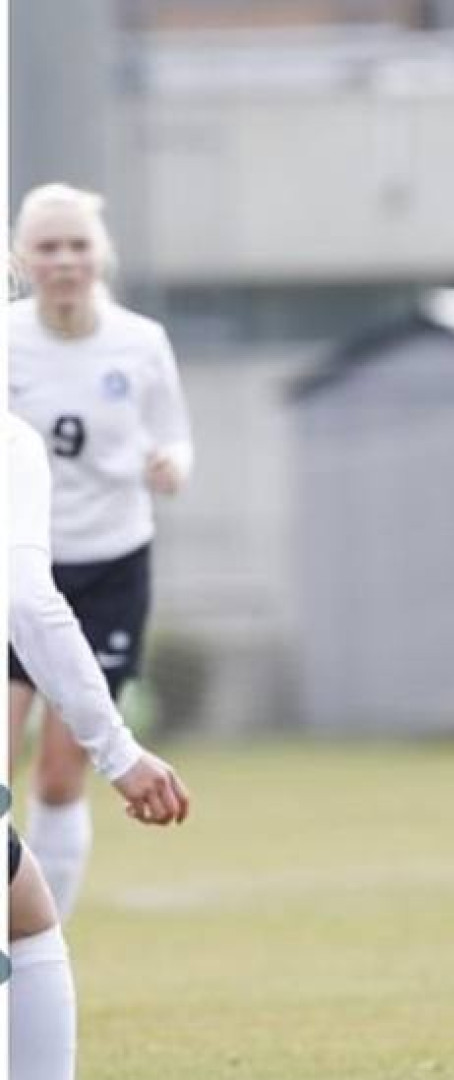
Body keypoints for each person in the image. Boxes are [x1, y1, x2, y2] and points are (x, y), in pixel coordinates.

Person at [8, 182, 194, 919]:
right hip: (21, 563)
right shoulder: (8, 336)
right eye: (46, 247)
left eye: (77, 245)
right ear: (23, 257)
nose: (63, 260)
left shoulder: (140, 341)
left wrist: (172, 464)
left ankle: (45, 937)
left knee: (58, 778)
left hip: (112, 563)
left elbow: (173, 431)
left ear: (101, 255)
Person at [9, 410, 193, 1080]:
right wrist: (119, 752)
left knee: (22, 907)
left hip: (115, 564)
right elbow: (29, 606)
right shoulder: (11, 442)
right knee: (27, 927)